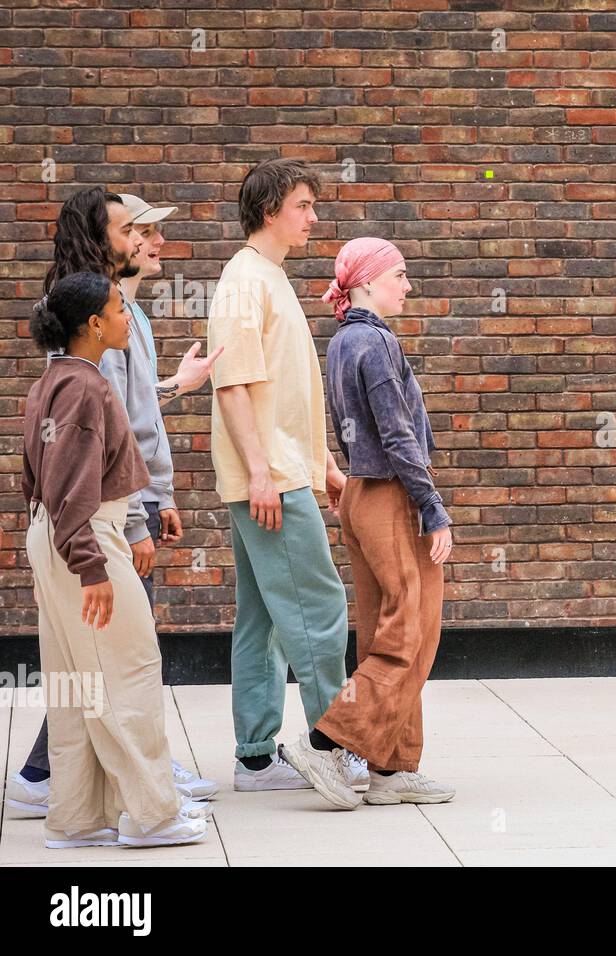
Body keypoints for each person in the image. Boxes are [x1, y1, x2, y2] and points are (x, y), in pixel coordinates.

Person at [5, 187, 220, 817]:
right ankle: (78, 775)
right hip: (109, 513)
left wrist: (164, 489)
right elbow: (93, 431)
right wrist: (135, 517)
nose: (146, 241)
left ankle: (68, 774)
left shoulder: (124, 313)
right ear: (99, 240)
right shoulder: (87, 316)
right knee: (117, 655)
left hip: (132, 502)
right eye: (132, 230)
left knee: (111, 652)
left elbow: (129, 413)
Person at [206, 159, 366, 792]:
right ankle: (336, 746)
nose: (313, 216)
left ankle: (254, 758)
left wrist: (323, 463)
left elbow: (290, 396)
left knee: (262, 617)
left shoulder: (268, 280)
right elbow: (233, 385)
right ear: (270, 210)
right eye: (303, 205)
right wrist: (263, 474)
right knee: (320, 607)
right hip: (268, 482)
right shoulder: (244, 282)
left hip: (282, 473)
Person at [281, 238, 455, 810]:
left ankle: (393, 768)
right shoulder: (376, 342)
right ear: (367, 281)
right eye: (399, 275)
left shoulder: (341, 340)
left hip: (361, 491)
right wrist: (431, 505)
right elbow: (399, 434)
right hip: (389, 494)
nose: (407, 286)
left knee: (386, 630)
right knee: (411, 632)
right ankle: (327, 745)